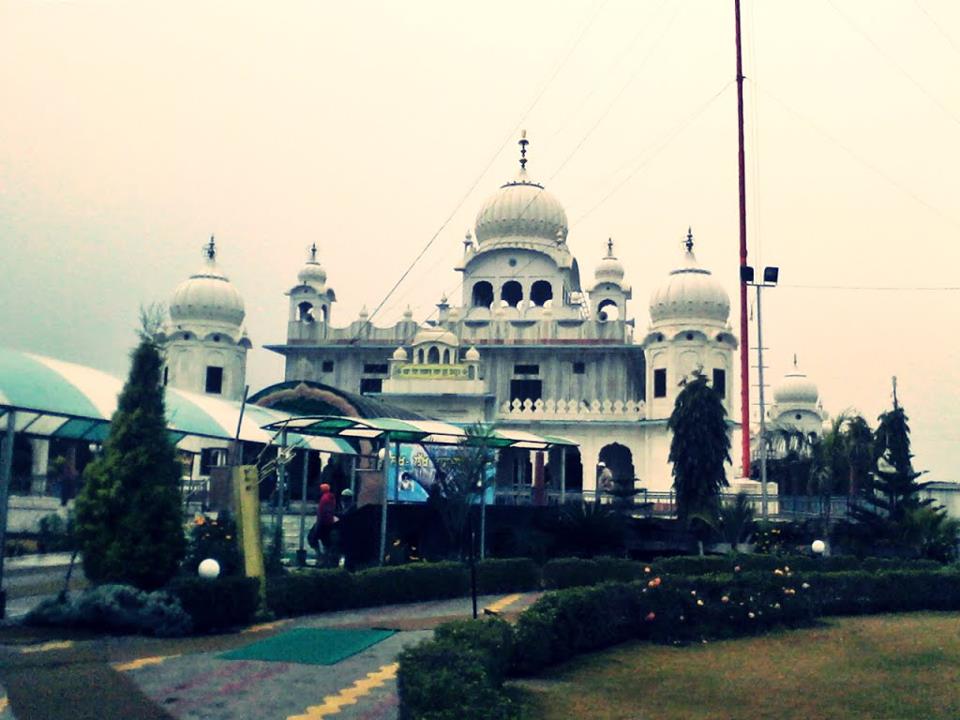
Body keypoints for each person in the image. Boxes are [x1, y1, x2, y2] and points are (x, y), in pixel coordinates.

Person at [316, 482, 337, 554]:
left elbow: (322, 511)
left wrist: (319, 522)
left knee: (315, 537)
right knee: (326, 540)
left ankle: (322, 555)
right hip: (330, 521)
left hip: (323, 522)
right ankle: (327, 555)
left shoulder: (324, 498)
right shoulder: (332, 498)